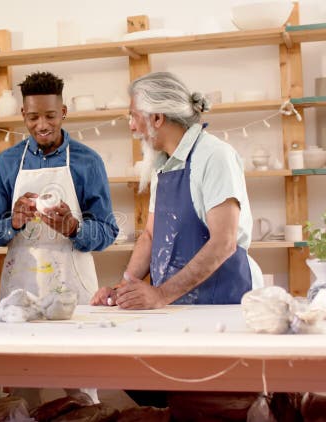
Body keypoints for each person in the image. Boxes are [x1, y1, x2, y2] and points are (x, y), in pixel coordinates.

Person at [91, 71, 262, 310]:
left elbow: (224, 242)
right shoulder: (161, 164)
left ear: (157, 118)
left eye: (133, 116)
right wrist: (123, 290)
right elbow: (150, 236)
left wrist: (160, 295)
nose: (130, 126)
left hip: (223, 302)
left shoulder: (214, 156)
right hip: (176, 304)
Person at [0, 71, 118, 305]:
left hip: (74, 293)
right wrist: (12, 223)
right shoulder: (7, 162)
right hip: (20, 293)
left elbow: (107, 231)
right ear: (23, 114)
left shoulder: (88, 162)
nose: (42, 125)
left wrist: (74, 228)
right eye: (33, 117)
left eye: (50, 116)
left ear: (63, 112)